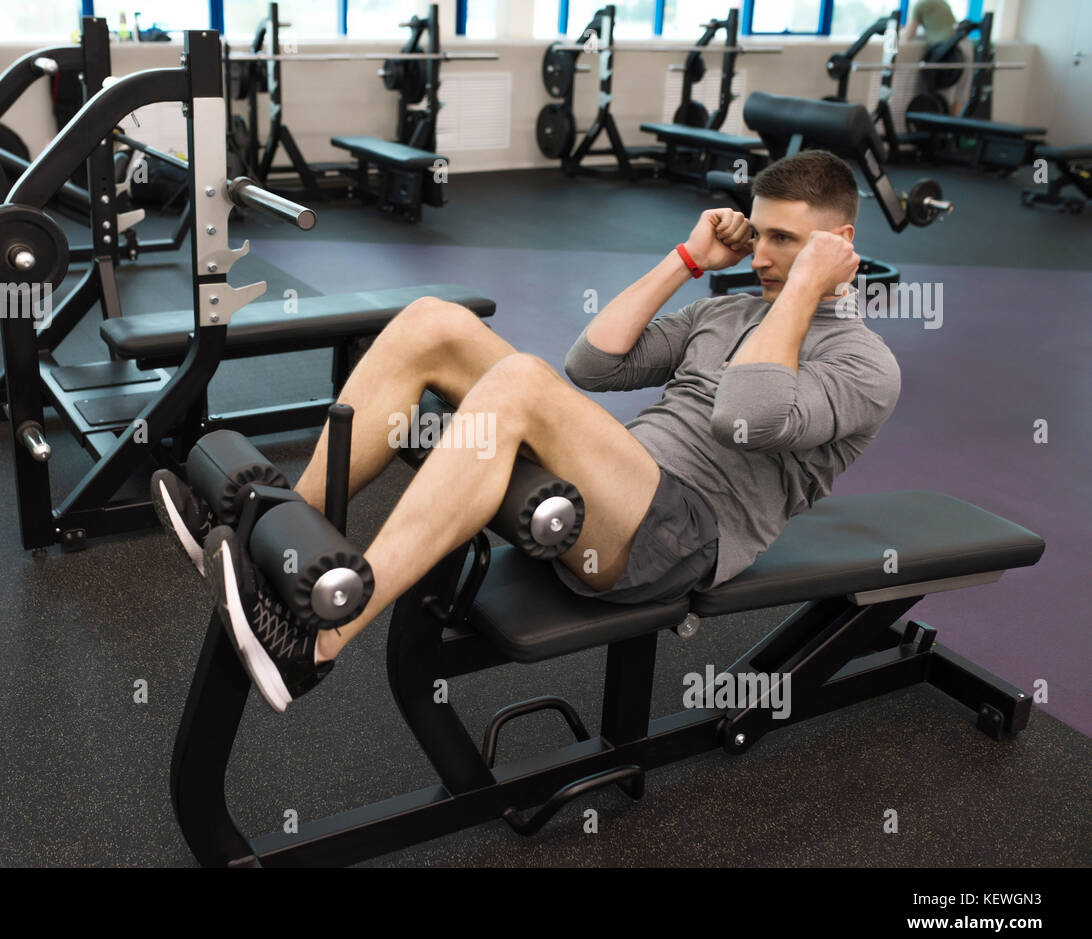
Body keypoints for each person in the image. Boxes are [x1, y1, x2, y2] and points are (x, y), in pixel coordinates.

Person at [153, 149, 902, 713]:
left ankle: (315, 644)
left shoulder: (864, 362)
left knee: (519, 381)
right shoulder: (726, 311)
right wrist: (688, 261)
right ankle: (274, 531)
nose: (764, 258)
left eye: (788, 243)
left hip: (679, 538)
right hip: (620, 485)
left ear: (840, 242)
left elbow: (747, 415)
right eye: (759, 235)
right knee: (433, 321)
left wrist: (805, 290)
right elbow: (596, 364)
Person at [903, 0, 970, 115]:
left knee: (947, 95)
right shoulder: (942, 2)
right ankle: (956, 130)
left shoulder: (920, 5)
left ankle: (947, 129)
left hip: (950, 51)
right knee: (960, 94)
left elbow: (907, 36)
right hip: (965, 45)